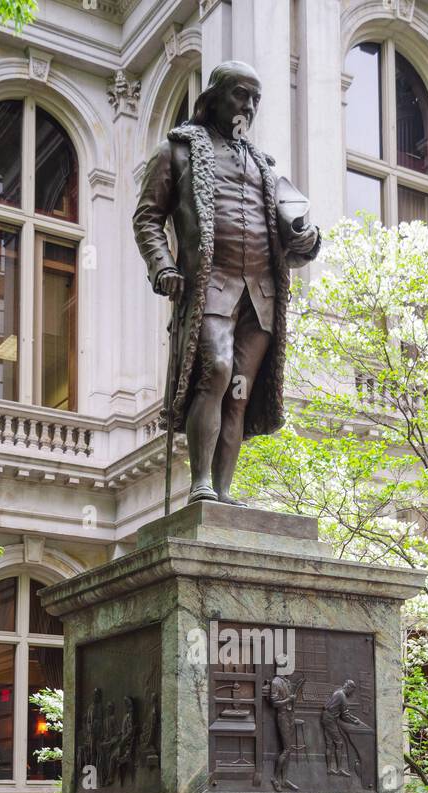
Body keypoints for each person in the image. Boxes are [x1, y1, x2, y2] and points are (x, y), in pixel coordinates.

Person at [133, 60, 320, 504]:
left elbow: (290, 237)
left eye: (255, 98)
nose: (249, 106)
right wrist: (163, 267)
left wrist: (307, 238)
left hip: (261, 294)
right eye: (241, 94)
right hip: (210, 285)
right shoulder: (177, 152)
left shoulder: (266, 168)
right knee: (214, 372)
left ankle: (223, 489)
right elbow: (147, 218)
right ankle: (200, 483)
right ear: (214, 96)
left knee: (239, 390)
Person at [321, 679, 360, 777]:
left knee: (329, 744)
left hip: (326, 717)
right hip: (330, 719)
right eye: (351, 691)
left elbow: (345, 712)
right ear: (348, 687)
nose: (351, 693)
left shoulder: (338, 692)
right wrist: (354, 721)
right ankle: (339, 770)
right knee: (339, 743)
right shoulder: (342, 696)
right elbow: (345, 715)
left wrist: (354, 718)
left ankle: (330, 769)